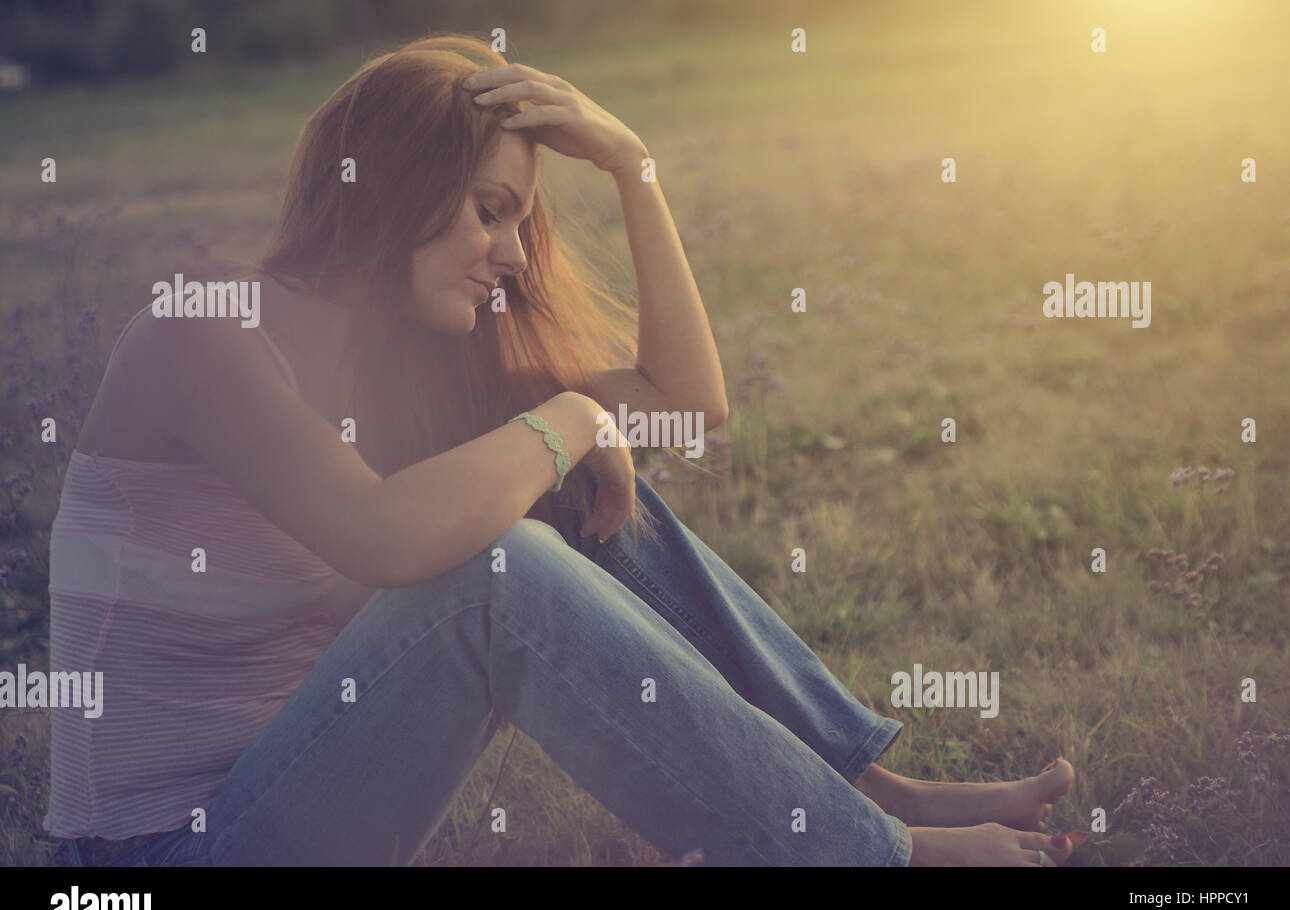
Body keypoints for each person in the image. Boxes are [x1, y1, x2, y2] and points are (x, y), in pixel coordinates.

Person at [44, 34, 1075, 867]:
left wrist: (633, 167)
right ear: (392, 184)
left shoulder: (405, 383)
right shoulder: (198, 337)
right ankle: (872, 855)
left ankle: (854, 790)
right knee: (500, 562)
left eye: (519, 222)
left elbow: (685, 402)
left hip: (296, 800)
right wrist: (579, 416)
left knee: (545, 500)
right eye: (488, 210)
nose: (507, 251)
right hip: (142, 862)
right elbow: (381, 537)